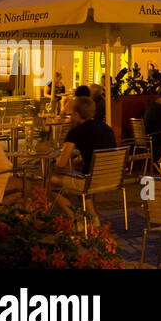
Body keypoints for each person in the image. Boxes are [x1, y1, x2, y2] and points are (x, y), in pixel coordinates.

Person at [51, 96, 116, 225]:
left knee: (53, 182)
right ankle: (94, 219)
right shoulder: (107, 128)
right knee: (81, 178)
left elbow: (61, 164)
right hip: (111, 177)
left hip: (89, 180)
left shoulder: (76, 132)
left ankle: (77, 220)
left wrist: (56, 160)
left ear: (76, 114)